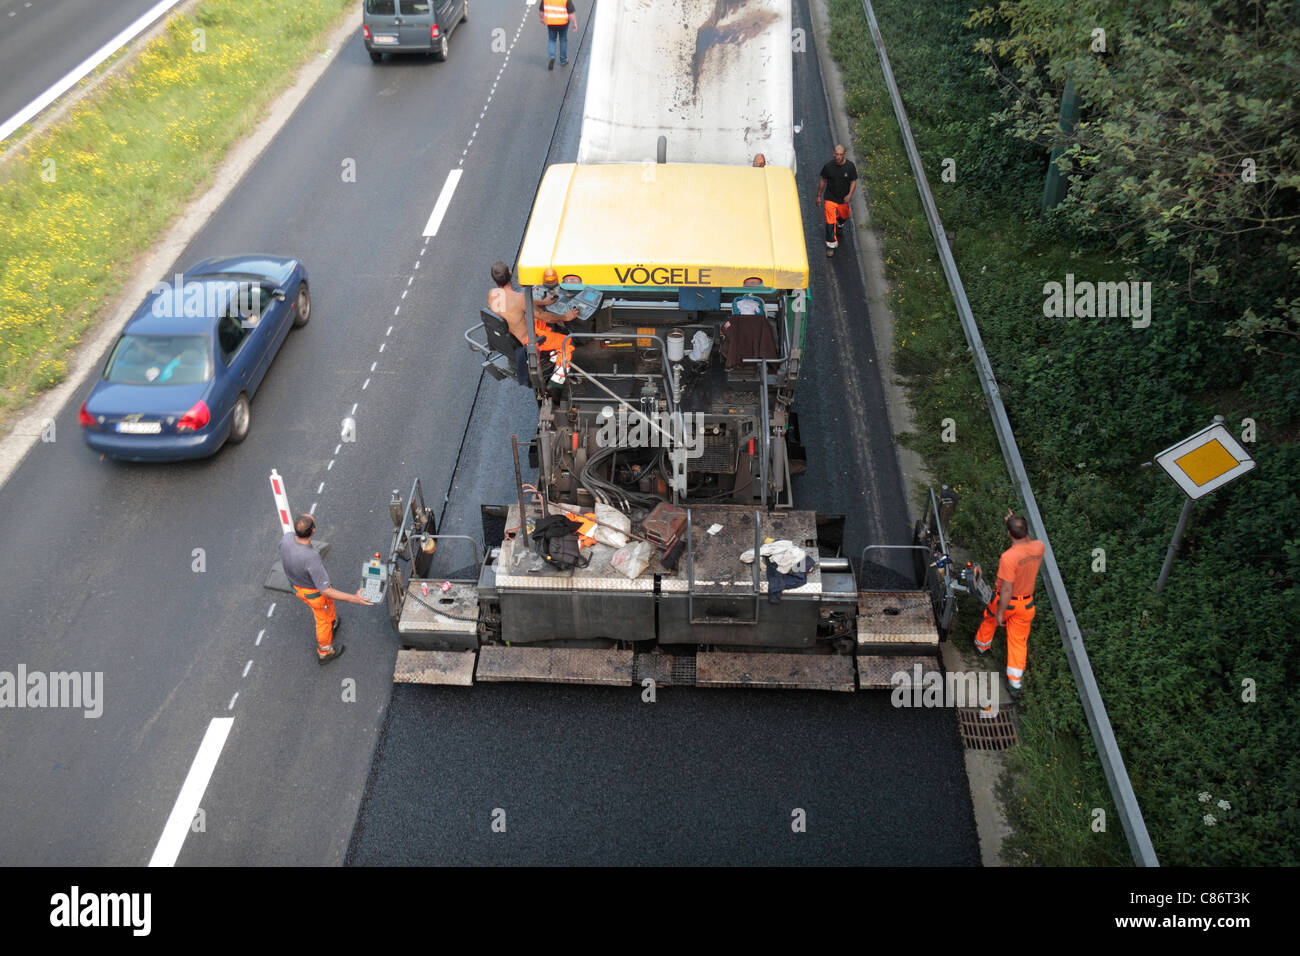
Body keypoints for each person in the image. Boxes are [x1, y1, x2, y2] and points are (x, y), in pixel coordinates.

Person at [280, 514, 373, 665]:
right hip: (314, 594)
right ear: (313, 531)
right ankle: (325, 652)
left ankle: (332, 622)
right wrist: (354, 598)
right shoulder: (310, 557)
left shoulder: (286, 539)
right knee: (322, 620)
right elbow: (325, 590)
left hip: (296, 586)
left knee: (327, 607)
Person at [973, 510, 1046, 696]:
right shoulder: (1039, 547)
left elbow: (1006, 589)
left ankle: (981, 646)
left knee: (989, 618)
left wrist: (999, 614)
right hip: (1027, 605)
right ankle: (1015, 683)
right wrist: (1014, 523)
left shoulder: (1008, 558)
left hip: (1008, 603)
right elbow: (1025, 540)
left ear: (1008, 534)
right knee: (1018, 641)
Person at [489, 261, 574, 386]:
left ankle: (552, 354)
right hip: (529, 340)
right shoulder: (519, 298)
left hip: (514, 334)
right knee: (567, 342)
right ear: (511, 274)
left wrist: (544, 302)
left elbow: (520, 303)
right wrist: (566, 317)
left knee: (540, 322)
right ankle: (557, 382)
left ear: (494, 279)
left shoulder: (492, 295)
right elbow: (544, 317)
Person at [815, 144, 858, 258]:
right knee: (830, 222)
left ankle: (840, 224)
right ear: (833, 154)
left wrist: (849, 195)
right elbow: (823, 181)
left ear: (844, 155)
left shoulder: (850, 167)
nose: (838, 157)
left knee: (844, 214)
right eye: (836, 154)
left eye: (840, 155)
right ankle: (831, 246)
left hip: (843, 199)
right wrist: (819, 195)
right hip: (830, 198)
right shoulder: (828, 167)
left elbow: (853, 181)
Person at [540, 0, 577, 70]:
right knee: (563, 40)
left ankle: (552, 56)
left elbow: (541, 10)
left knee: (552, 40)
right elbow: (571, 12)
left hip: (551, 23)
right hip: (563, 23)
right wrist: (574, 23)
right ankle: (563, 60)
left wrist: (541, 18)